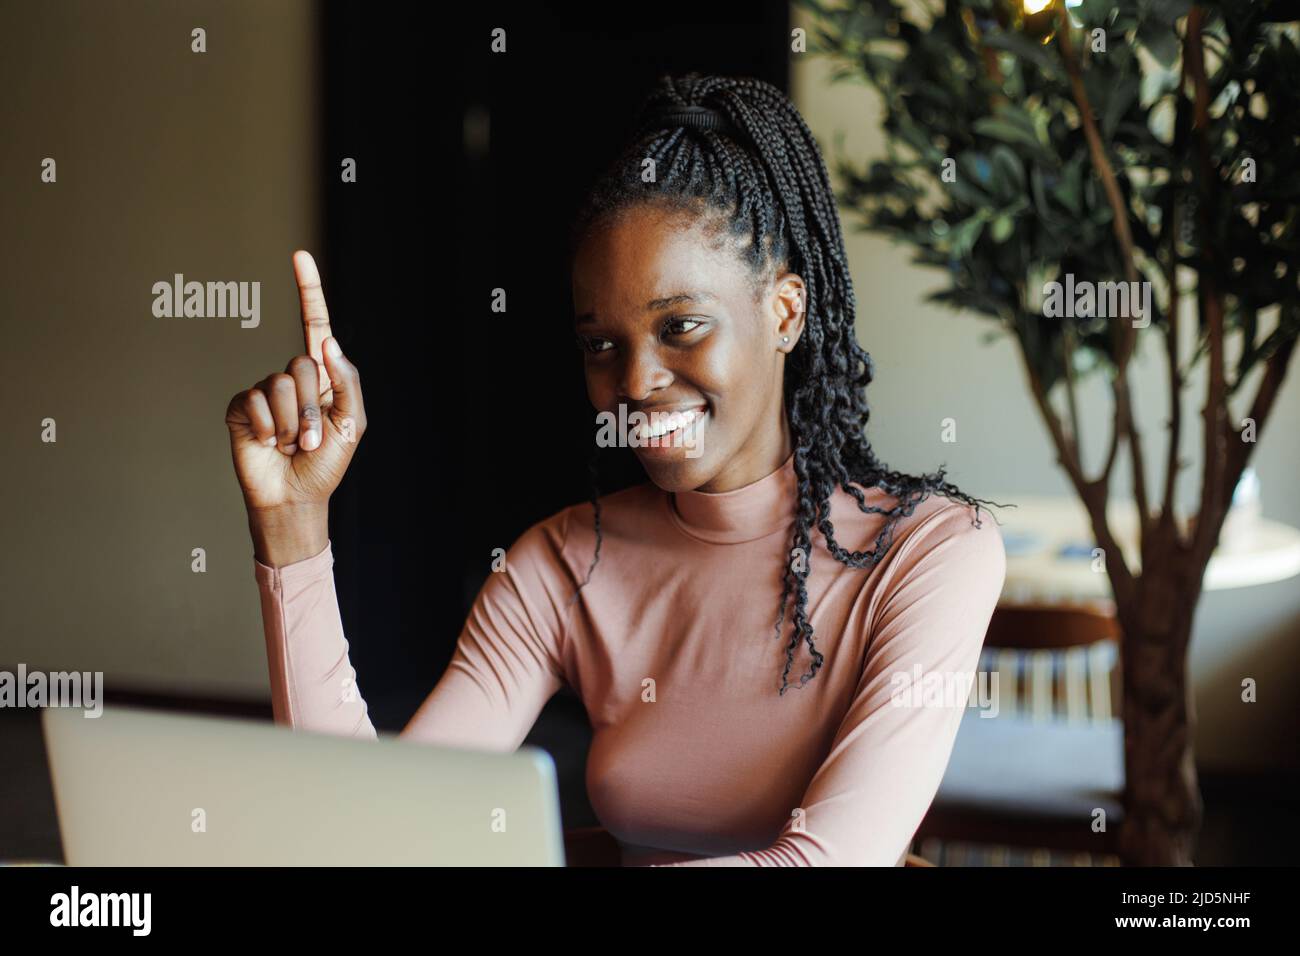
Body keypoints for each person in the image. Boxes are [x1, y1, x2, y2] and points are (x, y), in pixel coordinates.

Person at [224, 73, 1006, 866]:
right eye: (601, 344)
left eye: (682, 327)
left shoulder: (931, 552)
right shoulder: (563, 565)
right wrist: (290, 524)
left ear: (786, 312)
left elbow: (830, 862)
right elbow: (372, 833)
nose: (634, 382)